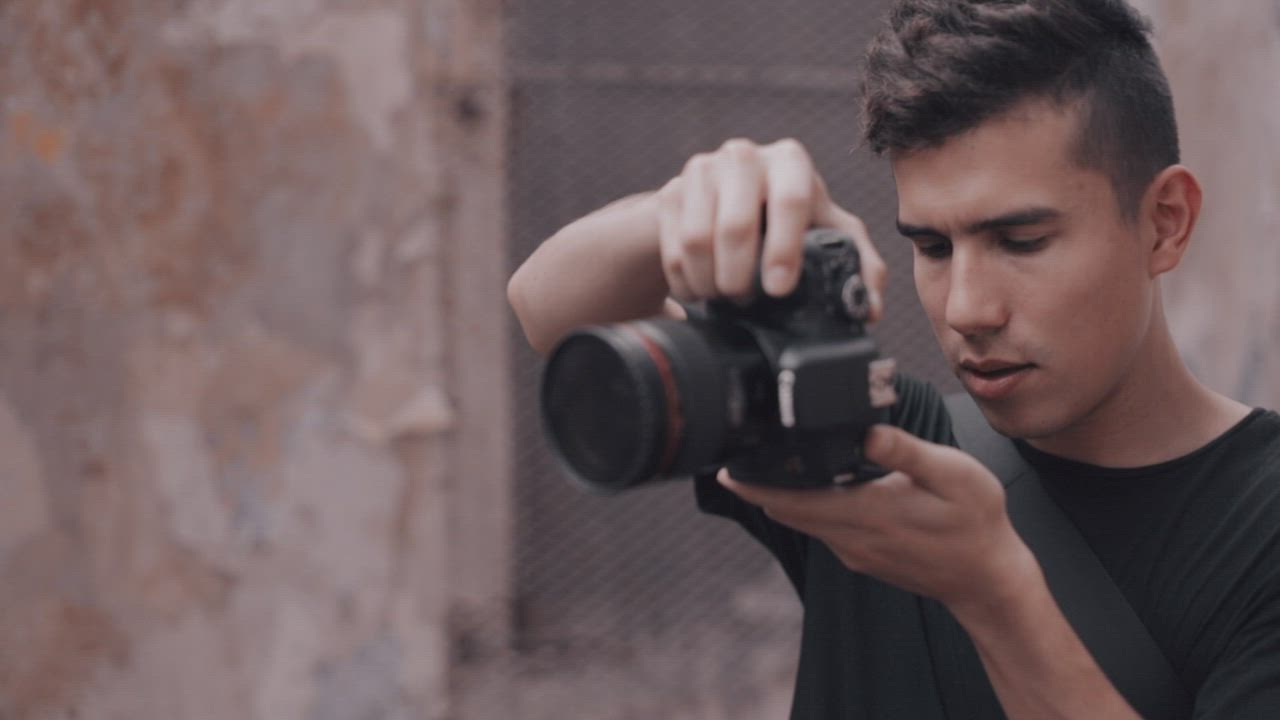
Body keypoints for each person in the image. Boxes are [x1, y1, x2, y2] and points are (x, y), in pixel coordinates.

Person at [507, 0, 1280, 717]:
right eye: (933, 246)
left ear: (1165, 224)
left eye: (1021, 241)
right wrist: (683, 207)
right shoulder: (877, 453)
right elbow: (546, 308)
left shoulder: (1263, 526)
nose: (967, 308)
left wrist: (994, 594)